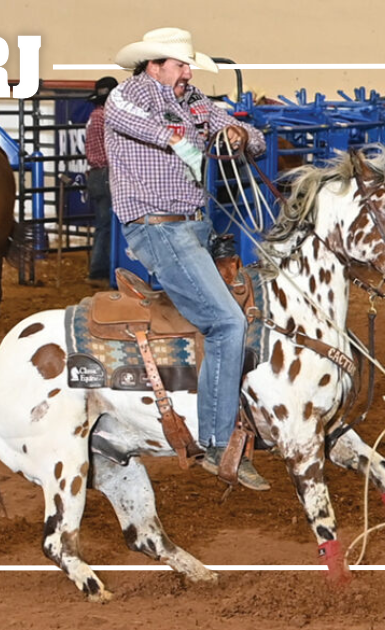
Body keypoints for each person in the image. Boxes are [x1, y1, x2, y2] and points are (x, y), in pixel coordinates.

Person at [105, 28, 269, 490]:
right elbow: (159, 133)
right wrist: (200, 134)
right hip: (158, 228)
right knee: (226, 322)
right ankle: (217, 443)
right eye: (180, 65)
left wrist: (238, 133)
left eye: (188, 66)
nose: (188, 74)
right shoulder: (126, 96)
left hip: (194, 226)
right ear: (154, 65)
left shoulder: (194, 100)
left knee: (252, 305)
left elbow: (253, 139)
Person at [85, 77, 117, 287]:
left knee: (103, 224)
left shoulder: (95, 116)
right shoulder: (106, 117)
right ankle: (99, 271)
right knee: (107, 224)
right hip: (106, 173)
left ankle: (99, 269)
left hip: (97, 173)